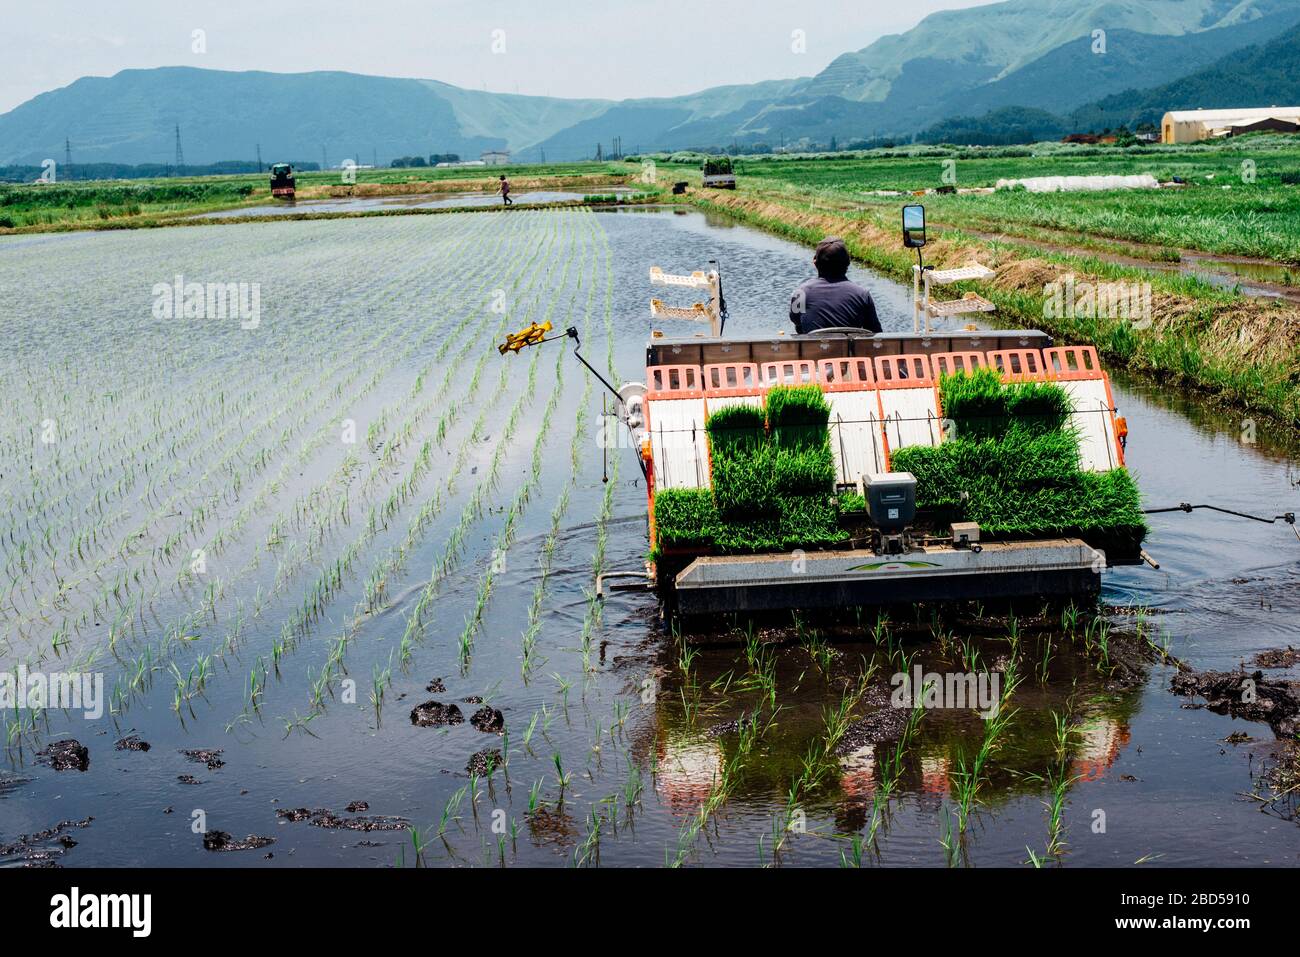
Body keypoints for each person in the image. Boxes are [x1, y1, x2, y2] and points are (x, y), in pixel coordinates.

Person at [789, 237, 881, 334]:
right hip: (850, 349)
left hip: (814, 348)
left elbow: (796, 320)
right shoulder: (863, 295)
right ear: (848, 262)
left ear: (815, 263)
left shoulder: (800, 293)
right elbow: (875, 332)